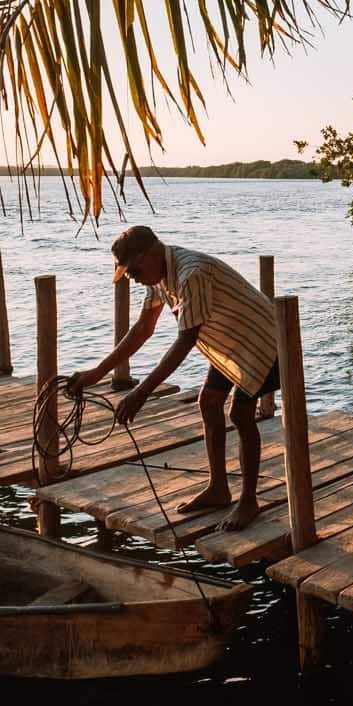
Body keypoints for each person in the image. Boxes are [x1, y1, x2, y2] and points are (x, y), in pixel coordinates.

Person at [70, 226, 280, 531]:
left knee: (240, 413)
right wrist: (97, 373)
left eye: (134, 271)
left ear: (150, 254)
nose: (133, 278)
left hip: (265, 341)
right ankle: (219, 489)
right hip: (231, 343)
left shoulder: (190, 274)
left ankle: (249, 500)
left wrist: (141, 392)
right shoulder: (159, 277)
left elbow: (185, 341)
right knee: (208, 402)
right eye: (129, 274)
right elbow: (143, 328)